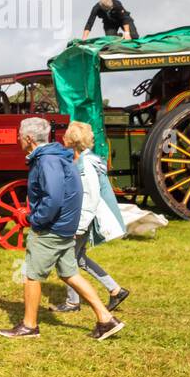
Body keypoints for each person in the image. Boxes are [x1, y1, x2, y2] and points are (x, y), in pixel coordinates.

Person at [0, 117, 125, 340]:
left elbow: (53, 196)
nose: (18, 139)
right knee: (70, 273)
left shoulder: (47, 160)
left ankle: (29, 326)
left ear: (28, 138)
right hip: (65, 227)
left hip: (50, 229)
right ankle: (106, 319)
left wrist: (37, 219)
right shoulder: (58, 156)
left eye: (19, 135)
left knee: (32, 275)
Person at [51, 121, 131, 314]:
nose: (62, 138)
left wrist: (78, 227)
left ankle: (73, 302)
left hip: (83, 220)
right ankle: (115, 290)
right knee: (78, 259)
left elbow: (91, 198)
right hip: (83, 219)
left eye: (66, 135)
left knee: (67, 259)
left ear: (73, 140)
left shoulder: (85, 164)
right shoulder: (82, 161)